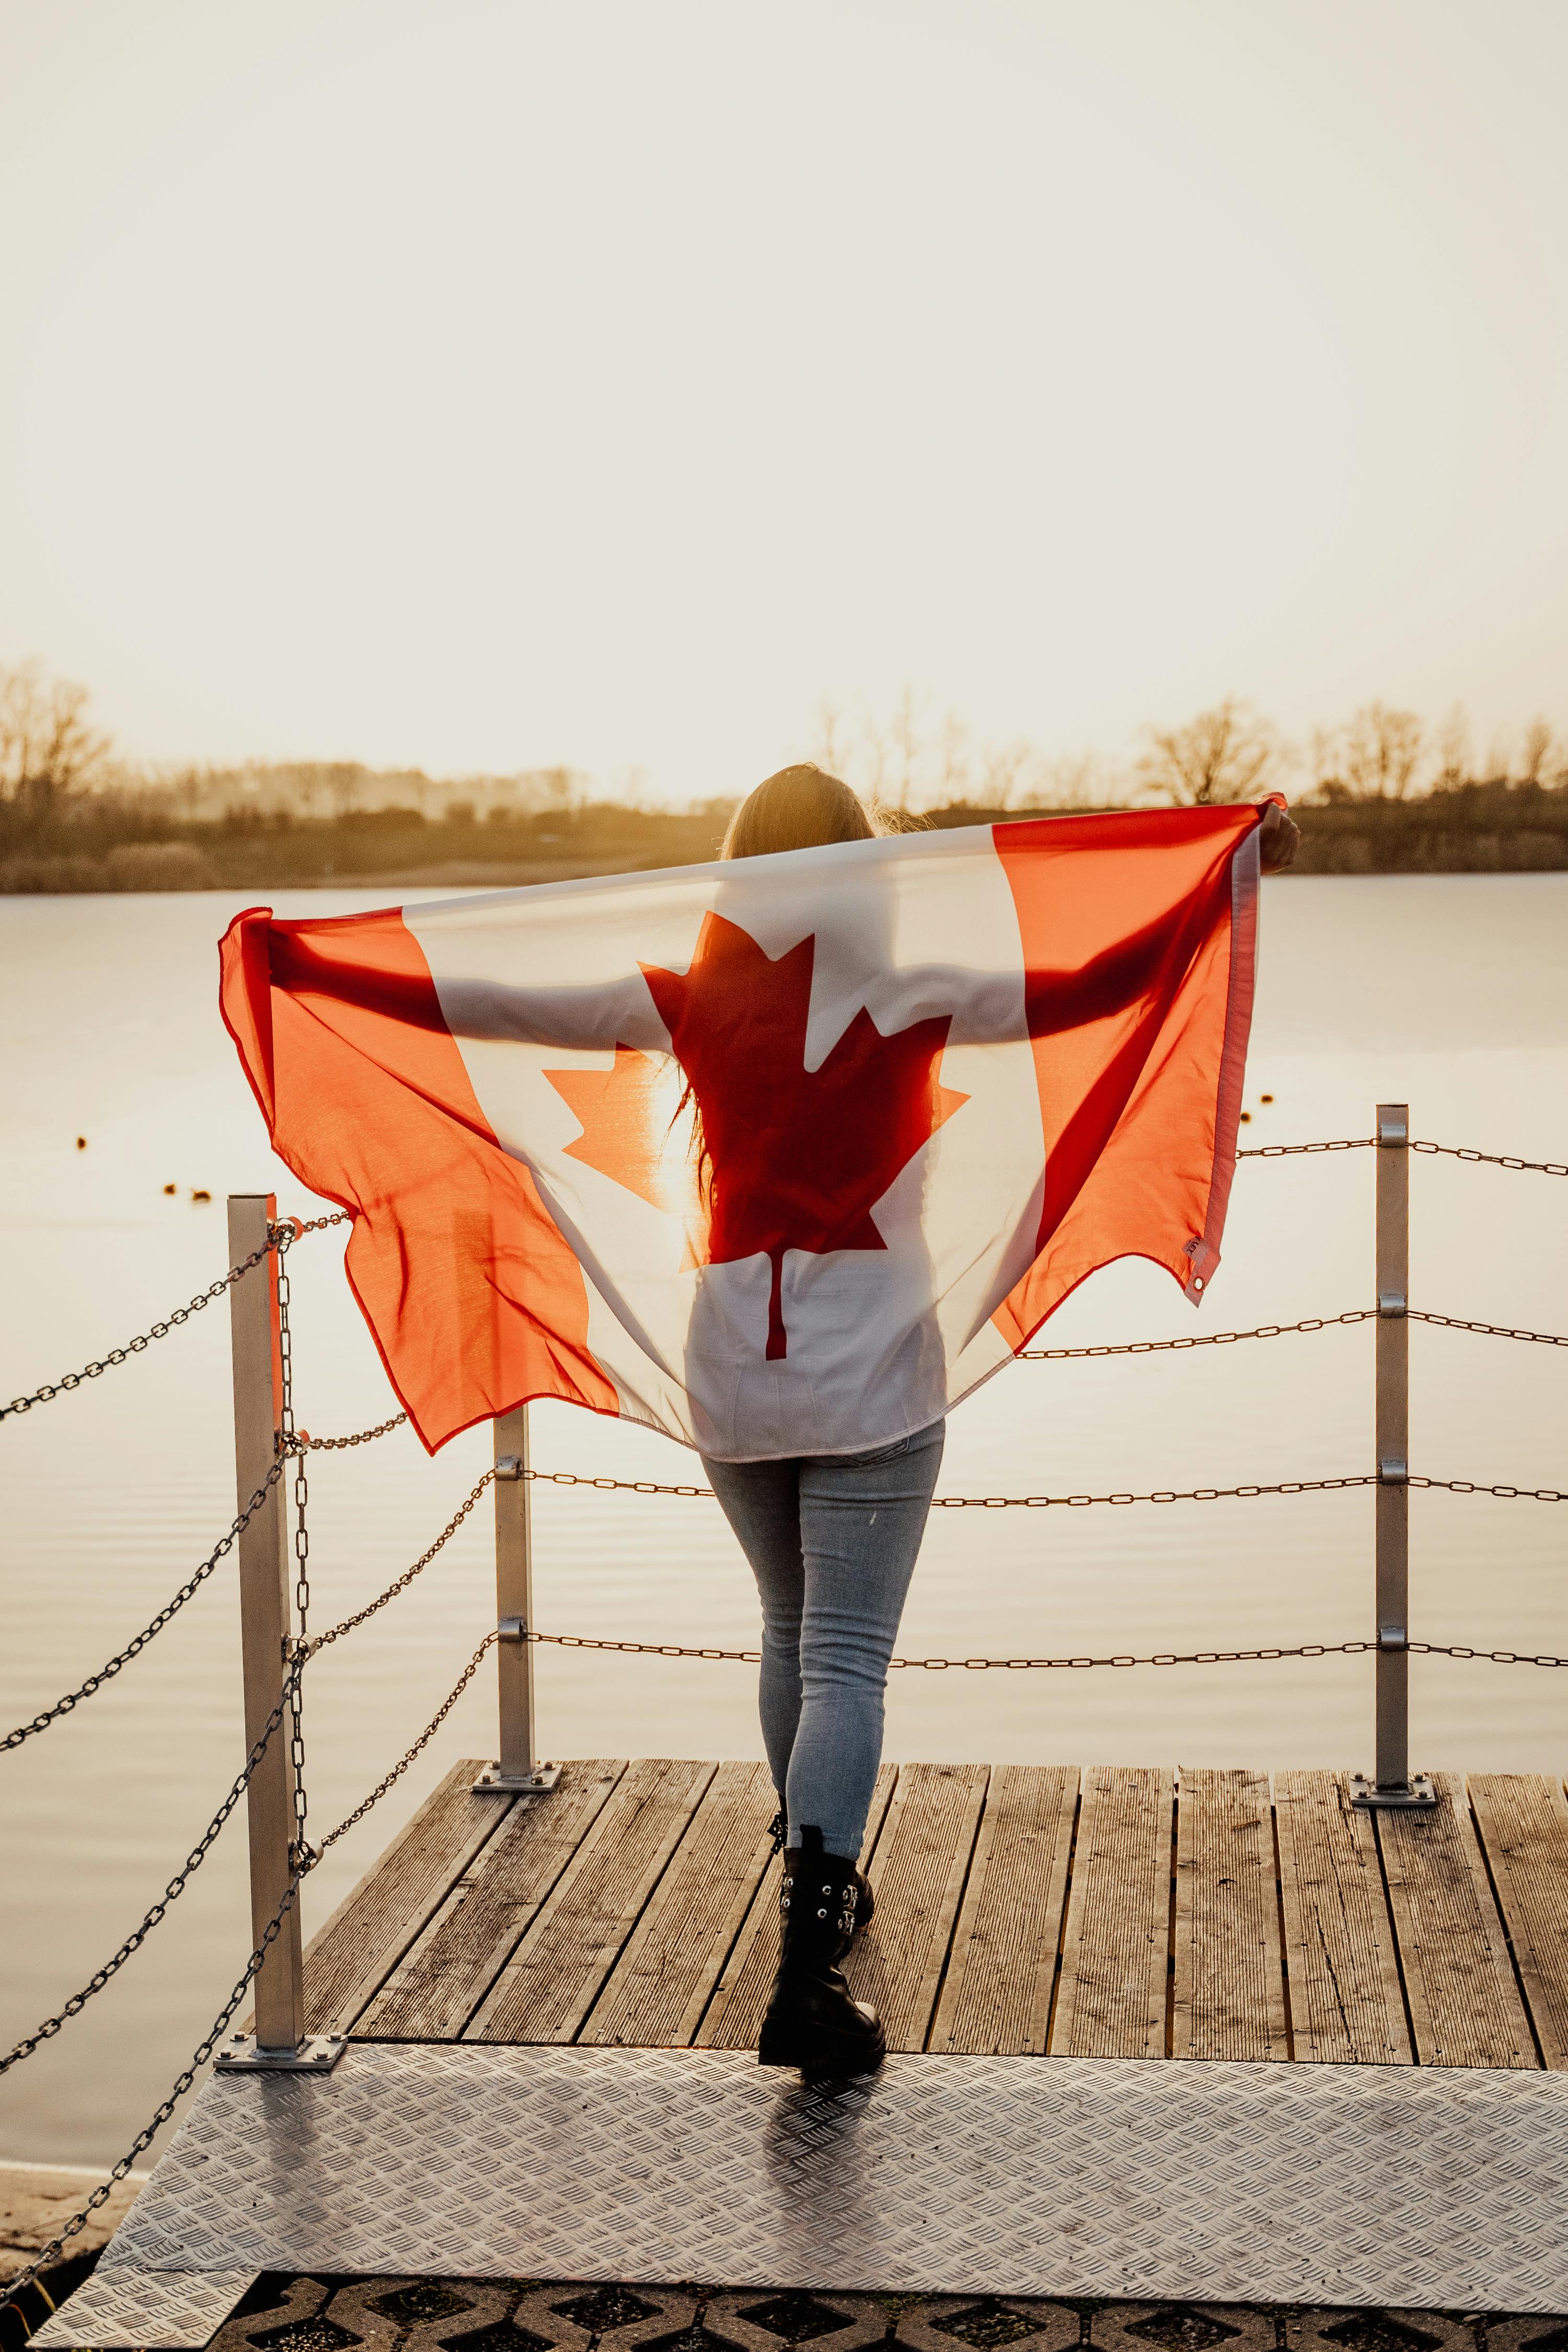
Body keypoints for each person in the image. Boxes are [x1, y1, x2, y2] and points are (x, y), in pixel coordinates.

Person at [700, 767, 1300, 2080]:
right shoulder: (911, 993)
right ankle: (811, 1965)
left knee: (790, 1632)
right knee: (847, 1656)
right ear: (866, 869)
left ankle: (812, 1878)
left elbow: (477, 1000)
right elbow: (1101, 979)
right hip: (871, 1364)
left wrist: (311, 968)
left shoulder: (691, 996)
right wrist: (1227, 868)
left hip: (733, 1362)